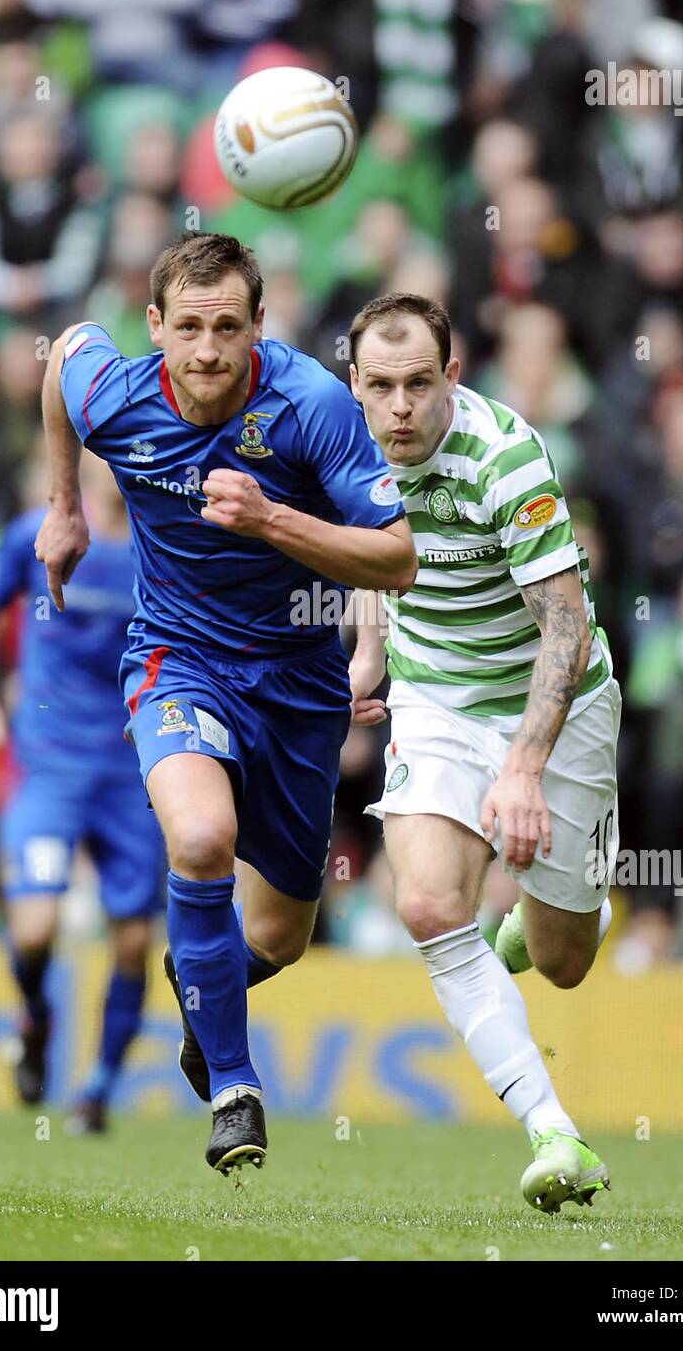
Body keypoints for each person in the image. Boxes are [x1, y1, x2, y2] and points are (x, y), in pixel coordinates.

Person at [33, 232, 416, 1176]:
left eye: (229, 328)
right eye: (190, 327)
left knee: (281, 935)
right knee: (199, 839)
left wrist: (271, 519)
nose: (208, 350)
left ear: (257, 328)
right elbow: (64, 354)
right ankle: (237, 1093)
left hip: (298, 681)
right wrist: (66, 506)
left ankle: (204, 984)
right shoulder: (114, 393)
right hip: (177, 658)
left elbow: (396, 556)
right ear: (155, 326)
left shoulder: (310, 406)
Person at [348, 292, 622, 1213]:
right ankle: (554, 1134)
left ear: (451, 378)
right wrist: (365, 652)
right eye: (380, 386)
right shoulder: (343, 444)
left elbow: (567, 629)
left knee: (562, 962)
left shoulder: (505, 457)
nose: (399, 408)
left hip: (558, 703)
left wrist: (521, 770)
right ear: (355, 385)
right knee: (426, 903)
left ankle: (533, 927)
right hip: (434, 701)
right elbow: (365, 554)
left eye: (418, 384)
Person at [0, 453, 167, 1133]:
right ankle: (37, 1017)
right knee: (36, 926)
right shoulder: (35, 533)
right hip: (46, 765)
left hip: (135, 768)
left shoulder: (164, 545)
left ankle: (97, 1090)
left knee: (134, 941)